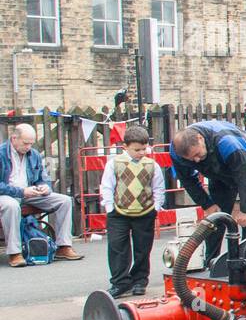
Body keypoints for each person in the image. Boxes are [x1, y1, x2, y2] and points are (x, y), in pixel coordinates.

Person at [170, 121, 246, 263]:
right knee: (215, 218)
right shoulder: (177, 151)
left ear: (200, 138)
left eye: (197, 154)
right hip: (219, 170)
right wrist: (207, 204)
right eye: (191, 159)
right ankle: (211, 262)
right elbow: (187, 180)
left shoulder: (227, 143)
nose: (196, 160)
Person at [0, 123, 84, 267]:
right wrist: (21, 191)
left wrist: (45, 187)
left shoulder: (33, 154)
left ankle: (63, 246)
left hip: (29, 193)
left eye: (31, 144)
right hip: (7, 195)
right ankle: (15, 253)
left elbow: (42, 178)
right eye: (25, 143)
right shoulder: (1, 153)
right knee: (11, 205)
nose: (28, 147)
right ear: (14, 138)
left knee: (64, 201)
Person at [100, 124, 166, 297]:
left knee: (143, 248)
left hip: (145, 211)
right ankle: (120, 282)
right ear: (125, 147)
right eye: (137, 149)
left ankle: (139, 280)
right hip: (118, 212)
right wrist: (109, 208)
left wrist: (156, 208)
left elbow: (158, 188)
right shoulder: (114, 164)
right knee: (117, 247)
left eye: (144, 149)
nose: (142, 153)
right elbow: (107, 186)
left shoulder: (152, 165)